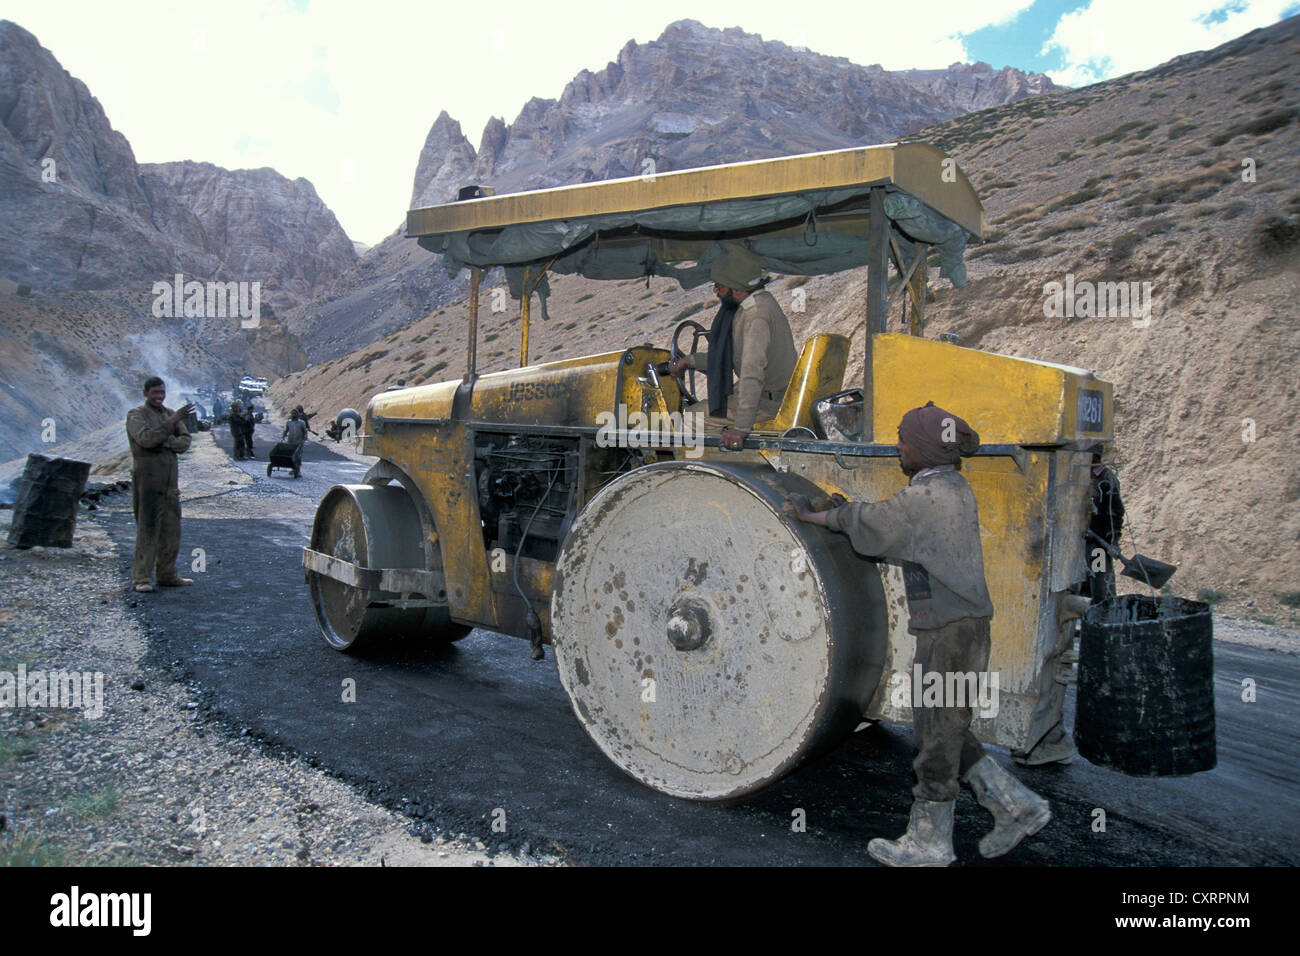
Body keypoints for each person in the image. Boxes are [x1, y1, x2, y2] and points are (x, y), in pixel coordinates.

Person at [785, 402, 1050, 866]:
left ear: (924, 449)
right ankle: (1016, 806)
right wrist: (853, 513)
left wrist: (814, 517)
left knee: (938, 738)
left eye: (904, 441)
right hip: (956, 630)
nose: (900, 448)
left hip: (951, 635)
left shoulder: (925, 499)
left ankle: (930, 842)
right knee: (940, 724)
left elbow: (877, 525)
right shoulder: (951, 486)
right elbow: (889, 521)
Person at [668, 246, 796, 451]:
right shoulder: (760, 302)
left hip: (767, 402)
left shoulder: (755, 316)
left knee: (692, 418)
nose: (716, 291)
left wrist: (741, 428)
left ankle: (712, 473)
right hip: (769, 394)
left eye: (719, 286)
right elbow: (728, 358)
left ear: (736, 287)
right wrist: (688, 361)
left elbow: (752, 373)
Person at [125, 377, 194, 593]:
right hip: (147, 482)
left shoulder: (169, 414)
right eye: (154, 392)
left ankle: (167, 574)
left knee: (172, 530)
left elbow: (184, 441)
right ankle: (142, 577)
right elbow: (145, 439)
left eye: (161, 392)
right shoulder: (136, 415)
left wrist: (165, 440)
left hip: (170, 484)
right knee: (148, 529)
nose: (159, 396)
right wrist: (171, 425)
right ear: (145, 393)